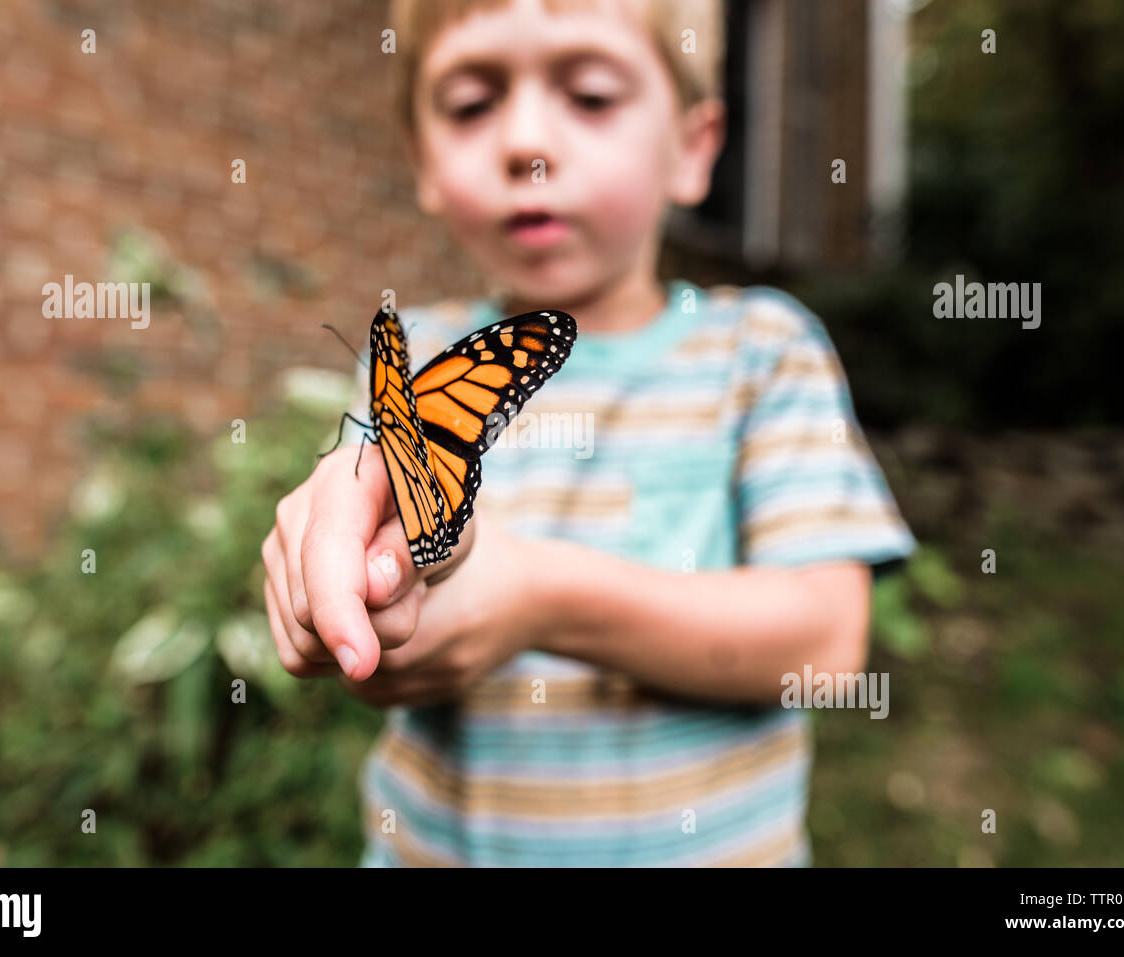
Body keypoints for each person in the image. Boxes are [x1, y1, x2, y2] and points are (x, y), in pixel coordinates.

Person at [261, 0, 917, 866]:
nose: (526, 145)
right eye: (470, 104)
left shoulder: (762, 353)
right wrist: (348, 584)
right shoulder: (412, 352)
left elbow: (827, 643)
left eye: (592, 95)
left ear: (692, 148)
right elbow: (377, 524)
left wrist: (540, 594)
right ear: (422, 160)